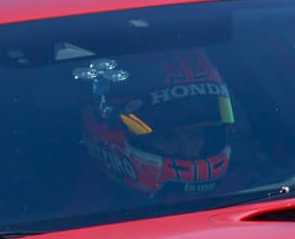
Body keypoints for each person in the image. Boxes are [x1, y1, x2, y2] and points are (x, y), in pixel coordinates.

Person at [78, 49, 236, 200]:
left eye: (197, 134)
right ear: (110, 133)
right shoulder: (79, 205)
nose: (188, 151)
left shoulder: (241, 194)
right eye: (167, 137)